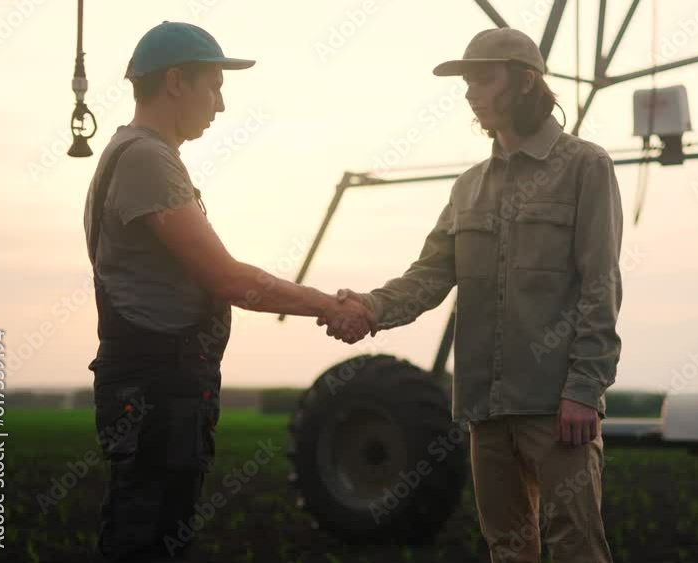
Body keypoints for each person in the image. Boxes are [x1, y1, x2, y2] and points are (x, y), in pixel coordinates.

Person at [328, 27, 621, 563]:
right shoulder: (469, 187)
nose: (469, 93)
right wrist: (370, 307)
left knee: (577, 548)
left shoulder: (586, 167)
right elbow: (429, 275)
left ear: (526, 82)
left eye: (483, 79)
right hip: (485, 409)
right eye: (466, 82)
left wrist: (584, 389)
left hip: (556, 405)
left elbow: (600, 286)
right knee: (507, 549)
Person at [83, 22, 374, 562]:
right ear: (175, 82)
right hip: (158, 390)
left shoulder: (143, 154)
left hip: (162, 386)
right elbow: (232, 280)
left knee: (150, 530)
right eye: (214, 86)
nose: (220, 104)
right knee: (147, 538)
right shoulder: (145, 158)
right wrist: (329, 306)